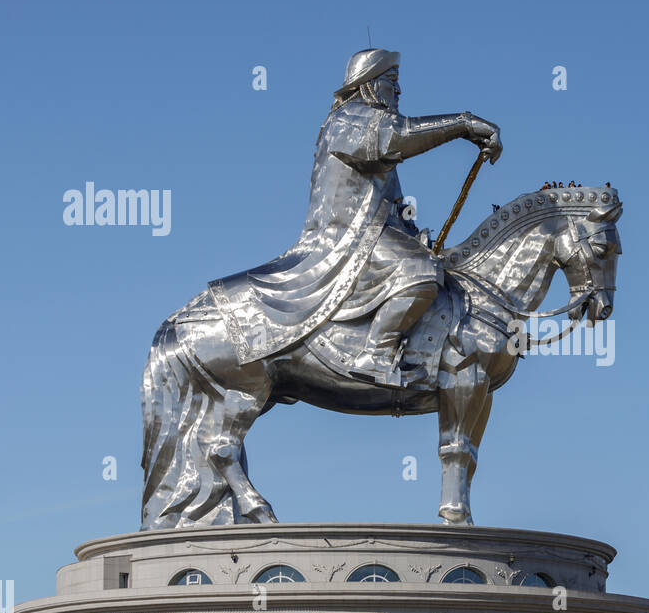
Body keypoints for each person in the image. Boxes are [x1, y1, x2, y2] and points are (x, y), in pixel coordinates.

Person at [208, 48, 502, 389]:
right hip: (348, 238)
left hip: (372, 233)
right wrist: (463, 123)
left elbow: (394, 204)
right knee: (420, 271)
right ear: (368, 85)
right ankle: (376, 354)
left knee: (426, 261)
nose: (399, 90)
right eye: (391, 81)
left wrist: (412, 233)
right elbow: (399, 136)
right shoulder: (349, 120)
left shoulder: (368, 128)